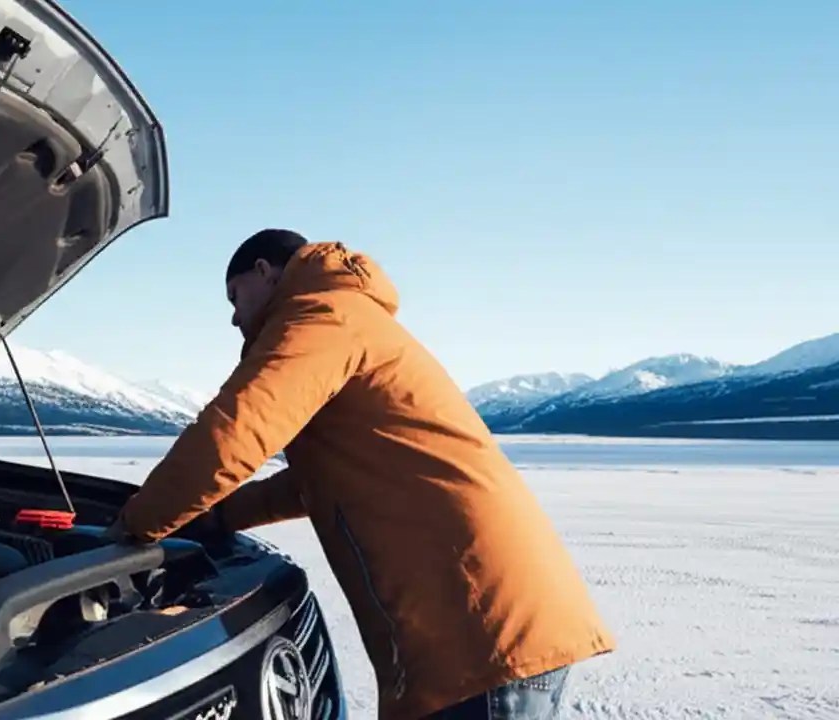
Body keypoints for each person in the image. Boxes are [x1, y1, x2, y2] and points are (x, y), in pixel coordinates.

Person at [107, 229, 616, 719]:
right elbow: (320, 482)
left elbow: (236, 430)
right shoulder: (346, 318)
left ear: (263, 270)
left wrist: (136, 526)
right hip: (482, 624)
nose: (235, 318)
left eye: (234, 296)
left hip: (479, 625)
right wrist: (222, 516)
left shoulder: (323, 316)